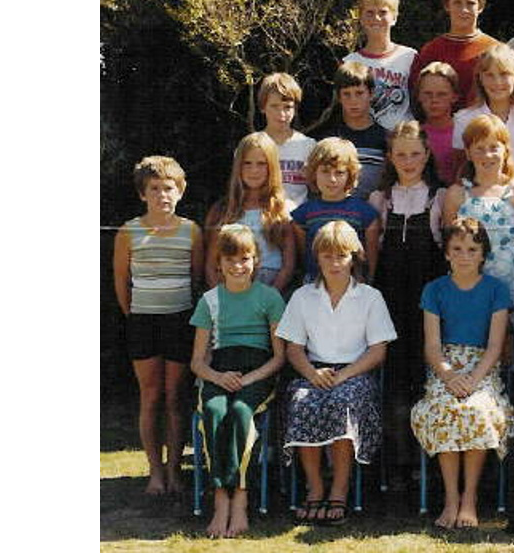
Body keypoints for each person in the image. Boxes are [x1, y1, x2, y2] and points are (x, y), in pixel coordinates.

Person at [276, 220, 397, 526]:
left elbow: (377, 351)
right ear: (317, 258)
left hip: (355, 373)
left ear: (354, 257)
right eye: (327, 256)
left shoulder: (370, 297)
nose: (334, 263)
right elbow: (293, 349)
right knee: (303, 401)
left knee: (343, 401)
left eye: (341, 256)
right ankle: (315, 487)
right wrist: (312, 375)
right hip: (312, 371)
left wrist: (344, 376)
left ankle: (340, 489)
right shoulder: (303, 296)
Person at [411, 217, 514, 529]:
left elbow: (496, 345)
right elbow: (431, 346)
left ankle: (469, 498)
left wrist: (473, 379)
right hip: (445, 366)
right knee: (445, 408)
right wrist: (449, 376)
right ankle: (451, 498)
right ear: (446, 253)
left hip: (482, 367)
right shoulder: (435, 290)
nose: (464, 255)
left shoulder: (496, 290)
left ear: (483, 253)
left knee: (475, 409)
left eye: (472, 249)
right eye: (456, 248)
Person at [113, 156, 204, 496]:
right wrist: (136, 315)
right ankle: (154, 472)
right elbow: (122, 282)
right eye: (154, 189)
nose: (161, 195)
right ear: (142, 194)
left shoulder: (191, 230)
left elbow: (195, 279)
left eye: (168, 188)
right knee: (150, 396)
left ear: (179, 192)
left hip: (180, 321)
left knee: (176, 398)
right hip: (142, 323)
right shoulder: (129, 231)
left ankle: (174, 471)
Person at [189, 224, 286, 538]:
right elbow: (197, 361)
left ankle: (240, 498)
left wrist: (249, 379)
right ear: (219, 263)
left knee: (242, 414)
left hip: (257, 371)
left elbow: (279, 357)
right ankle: (221, 499)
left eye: (245, 258)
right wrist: (218, 376)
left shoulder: (269, 297)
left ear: (255, 260)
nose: (237, 266)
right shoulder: (210, 301)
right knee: (215, 414)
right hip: (220, 369)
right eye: (230, 259)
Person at [367, 120, 447, 483]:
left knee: (425, 380)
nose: (409, 160)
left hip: (428, 305)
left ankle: (426, 464)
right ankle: (396, 465)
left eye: (415, 153)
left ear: (427, 155)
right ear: (390, 157)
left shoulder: (440, 198)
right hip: (389, 303)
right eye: (401, 154)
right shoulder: (380, 200)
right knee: (395, 383)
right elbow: (371, 260)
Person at [442, 115, 514, 374]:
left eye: (494, 146)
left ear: (506, 149)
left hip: (513, 279)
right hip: (471, 276)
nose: (488, 154)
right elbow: (448, 239)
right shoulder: (457, 194)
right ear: (468, 152)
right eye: (479, 147)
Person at [203, 133, 296, 291]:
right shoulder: (223, 210)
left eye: (261, 164)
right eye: (247, 163)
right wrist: (222, 302)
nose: (254, 170)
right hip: (231, 289)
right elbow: (211, 266)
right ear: (238, 166)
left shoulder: (282, 209)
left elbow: (289, 265)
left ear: (272, 167)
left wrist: (270, 298)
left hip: (270, 290)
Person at [450, 44, 514, 187]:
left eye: (504, 74)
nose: (497, 82)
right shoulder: (464, 119)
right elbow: (461, 163)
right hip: (479, 189)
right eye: (489, 75)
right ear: (480, 78)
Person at [290, 137, 381, 282]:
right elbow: (304, 254)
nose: (332, 179)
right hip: (315, 284)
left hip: (353, 285)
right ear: (314, 173)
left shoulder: (364, 213)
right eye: (325, 171)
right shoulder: (304, 214)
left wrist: (368, 280)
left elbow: (370, 260)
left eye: (339, 173)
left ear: (350, 175)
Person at [410, 0, 502, 109]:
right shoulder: (432, 51)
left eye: (470, 3)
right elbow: (417, 96)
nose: (464, 9)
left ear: (480, 6)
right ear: (447, 5)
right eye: (457, 3)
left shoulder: (495, 50)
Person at [342, 0, 418, 130]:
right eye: (369, 12)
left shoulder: (409, 57)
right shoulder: (350, 62)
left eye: (383, 12)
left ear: (394, 17)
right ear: (361, 18)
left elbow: (419, 101)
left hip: (403, 140)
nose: (376, 18)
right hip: (365, 140)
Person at [318, 62, 389, 201]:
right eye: (346, 94)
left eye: (359, 93)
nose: (353, 101)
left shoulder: (385, 139)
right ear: (338, 97)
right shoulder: (327, 139)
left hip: (372, 215)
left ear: (371, 93)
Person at [255, 73, 315, 208]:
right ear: (263, 107)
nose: (281, 114)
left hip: (298, 221)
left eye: (287, 107)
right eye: (274, 106)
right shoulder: (252, 146)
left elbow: (319, 189)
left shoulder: (309, 146)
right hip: (261, 217)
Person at [412, 61, 461, 185]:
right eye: (428, 94)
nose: (434, 100)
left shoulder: (464, 131)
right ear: (418, 96)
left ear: (454, 96)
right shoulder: (413, 135)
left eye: (442, 94)